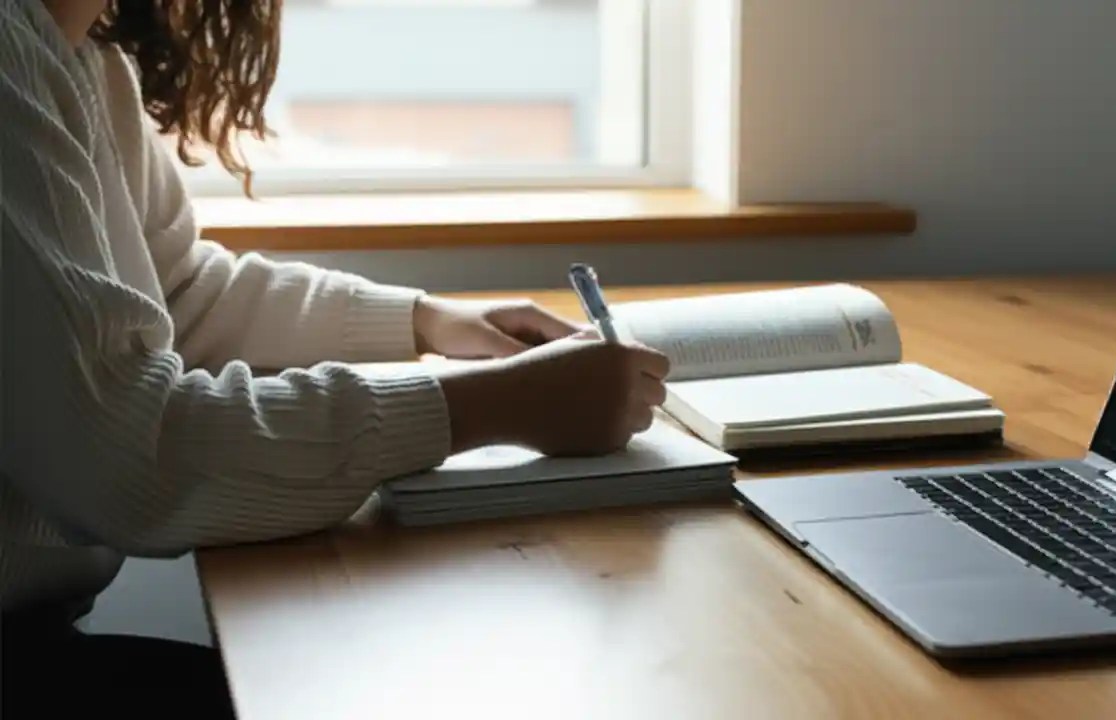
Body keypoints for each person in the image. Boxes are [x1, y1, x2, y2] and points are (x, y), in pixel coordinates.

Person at [0, 0, 670, 716]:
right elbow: (133, 451)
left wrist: (424, 320)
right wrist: (496, 406)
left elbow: (180, 291)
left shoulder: (85, 62)